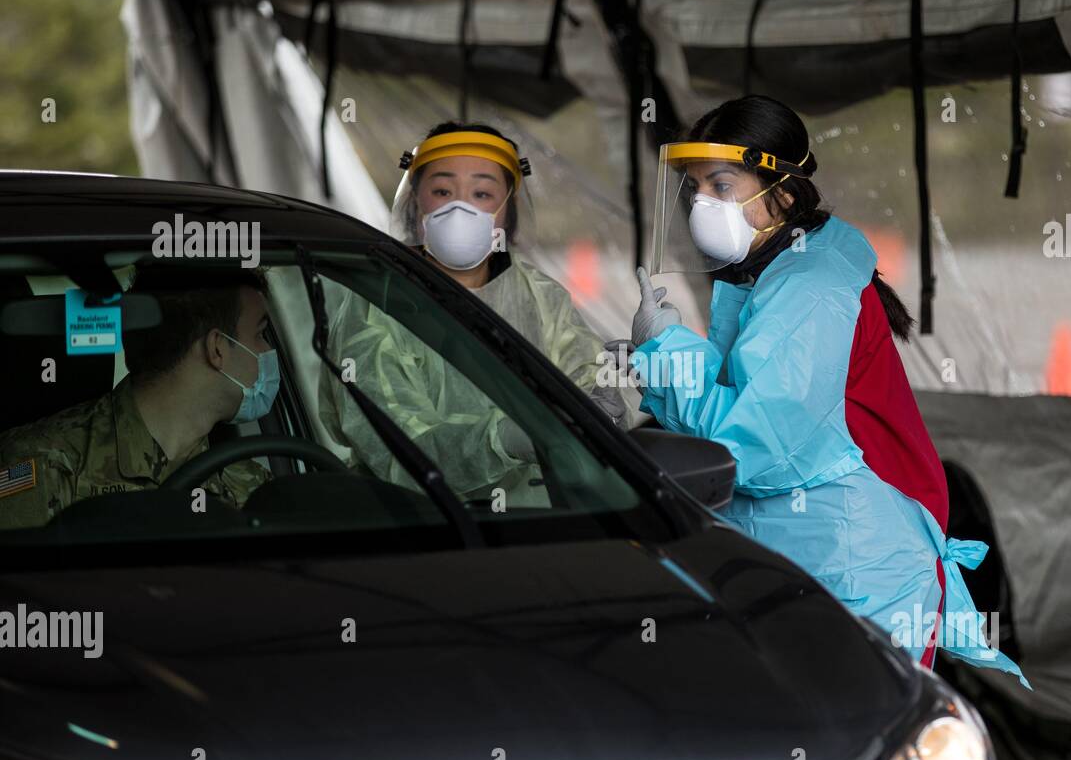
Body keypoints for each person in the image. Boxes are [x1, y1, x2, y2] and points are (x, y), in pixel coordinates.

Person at [625, 95, 1027, 687]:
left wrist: (667, 358)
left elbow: (754, 450)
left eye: (723, 185)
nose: (704, 204)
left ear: (781, 192)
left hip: (855, 572)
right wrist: (657, 373)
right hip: (825, 562)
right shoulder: (785, 266)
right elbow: (751, 399)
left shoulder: (808, 289)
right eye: (696, 187)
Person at [322, 121, 625, 504]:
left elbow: (586, 379)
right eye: (442, 191)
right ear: (416, 203)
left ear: (509, 208)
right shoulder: (376, 302)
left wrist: (603, 412)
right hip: (419, 528)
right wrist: (504, 439)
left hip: (545, 526)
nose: (460, 209)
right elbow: (395, 444)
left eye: (481, 193)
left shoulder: (541, 296)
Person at [0, 266, 276, 528]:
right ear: (217, 349)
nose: (267, 350)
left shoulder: (250, 482)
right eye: (261, 334)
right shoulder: (42, 464)